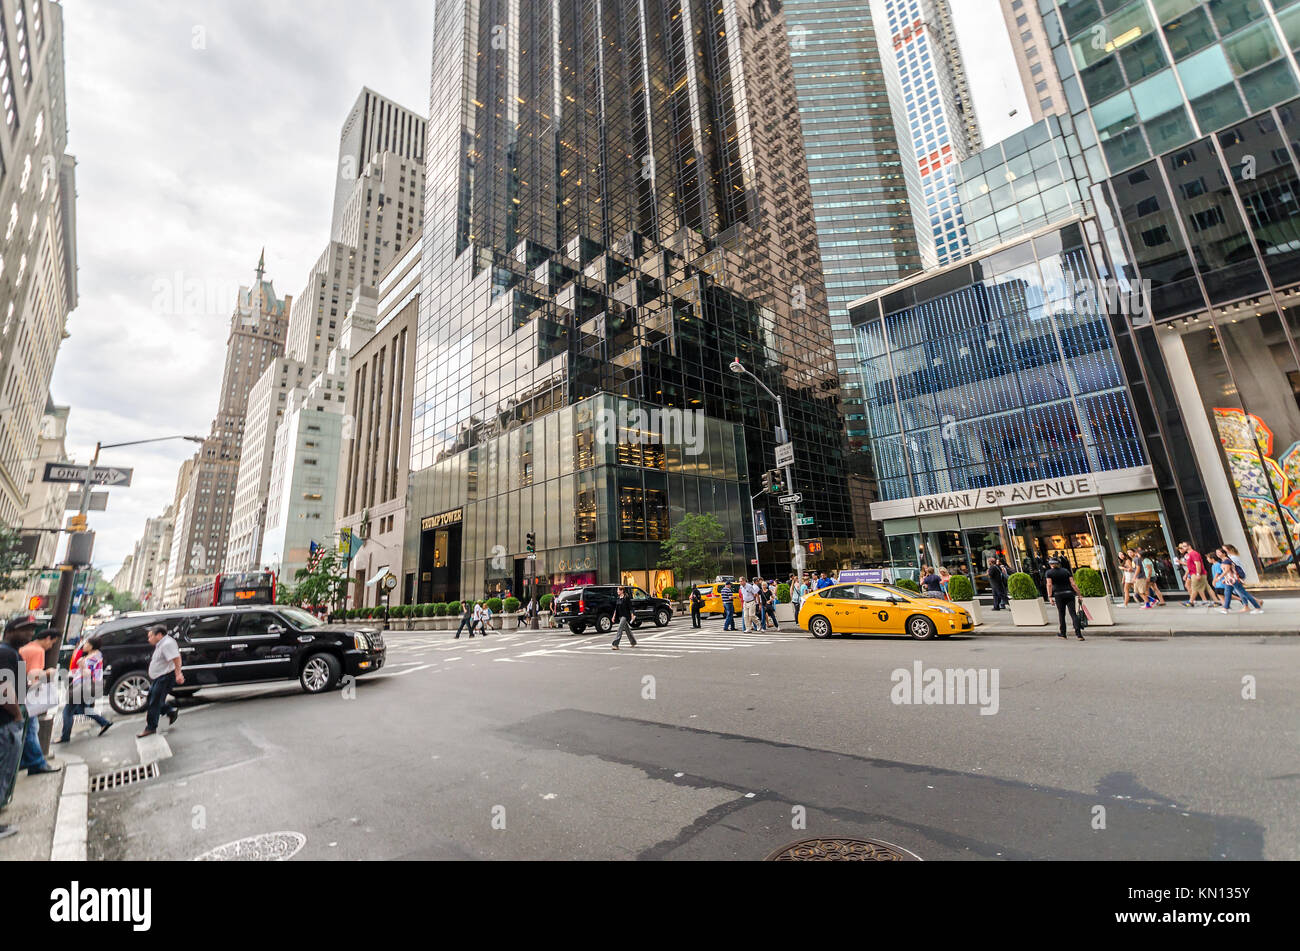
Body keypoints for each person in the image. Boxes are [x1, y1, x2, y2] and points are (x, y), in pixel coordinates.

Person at [1, 617, 38, 837]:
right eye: (26, 630)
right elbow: (3, 688)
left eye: (32, 630)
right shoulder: (6, 653)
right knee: (3, 771)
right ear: (11, 630)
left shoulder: (10, 653)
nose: (30, 634)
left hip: (7, 721)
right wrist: (16, 715)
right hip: (5, 722)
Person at [18, 628, 61, 775]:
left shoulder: (26, 648)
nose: (51, 647)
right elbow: (33, 674)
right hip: (25, 695)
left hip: (16, 692)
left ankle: (27, 760)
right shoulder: (38, 651)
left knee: (28, 729)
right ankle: (37, 762)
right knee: (31, 729)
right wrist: (48, 672)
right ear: (48, 638)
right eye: (52, 643)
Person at [58, 636, 112, 743]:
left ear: (91, 646)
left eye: (86, 644)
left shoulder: (91, 659)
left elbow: (88, 674)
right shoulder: (96, 655)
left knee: (67, 711)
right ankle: (104, 722)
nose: (84, 646)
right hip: (86, 687)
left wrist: (82, 665)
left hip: (82, 687)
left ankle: (65, 737)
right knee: (83, 709)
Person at [138, 624, 183, 739]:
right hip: (159, 677)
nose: (149, 639)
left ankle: (151, 727)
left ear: (158, 635)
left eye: (150, 636)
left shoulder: (167, 644)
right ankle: (170, 711)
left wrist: (178, 673)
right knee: (152, 699)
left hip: (165, 677)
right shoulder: (161, 644)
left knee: (154, 702)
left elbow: (176, 658)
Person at [1045, 557, 1085, 640]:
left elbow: (1049, 584)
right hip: (1069, 593)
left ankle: (1063, 633)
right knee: (1073, 613)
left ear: (1051, 564)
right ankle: (1079, 635)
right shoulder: (1066, 571)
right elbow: (1073, 584)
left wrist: (1050, 596)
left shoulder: (1049, 573)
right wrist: (1079, 594)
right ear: (1059, 564)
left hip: (1058, 595)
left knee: (1061, 614)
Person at [1178, 542, 1213, 606]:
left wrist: (1197, 574)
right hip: (1192, 572)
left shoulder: (1191, 554)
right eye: (1180, 548)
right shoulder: (1188, 554)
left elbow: (1196, 564)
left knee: (1196, 587)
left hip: (1194, 572)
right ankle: (1199, 600)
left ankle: (1192, 601)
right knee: (1199, 587)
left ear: (1188, 546)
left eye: (1182, 547)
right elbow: (1190, 565)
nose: (1181, 549)